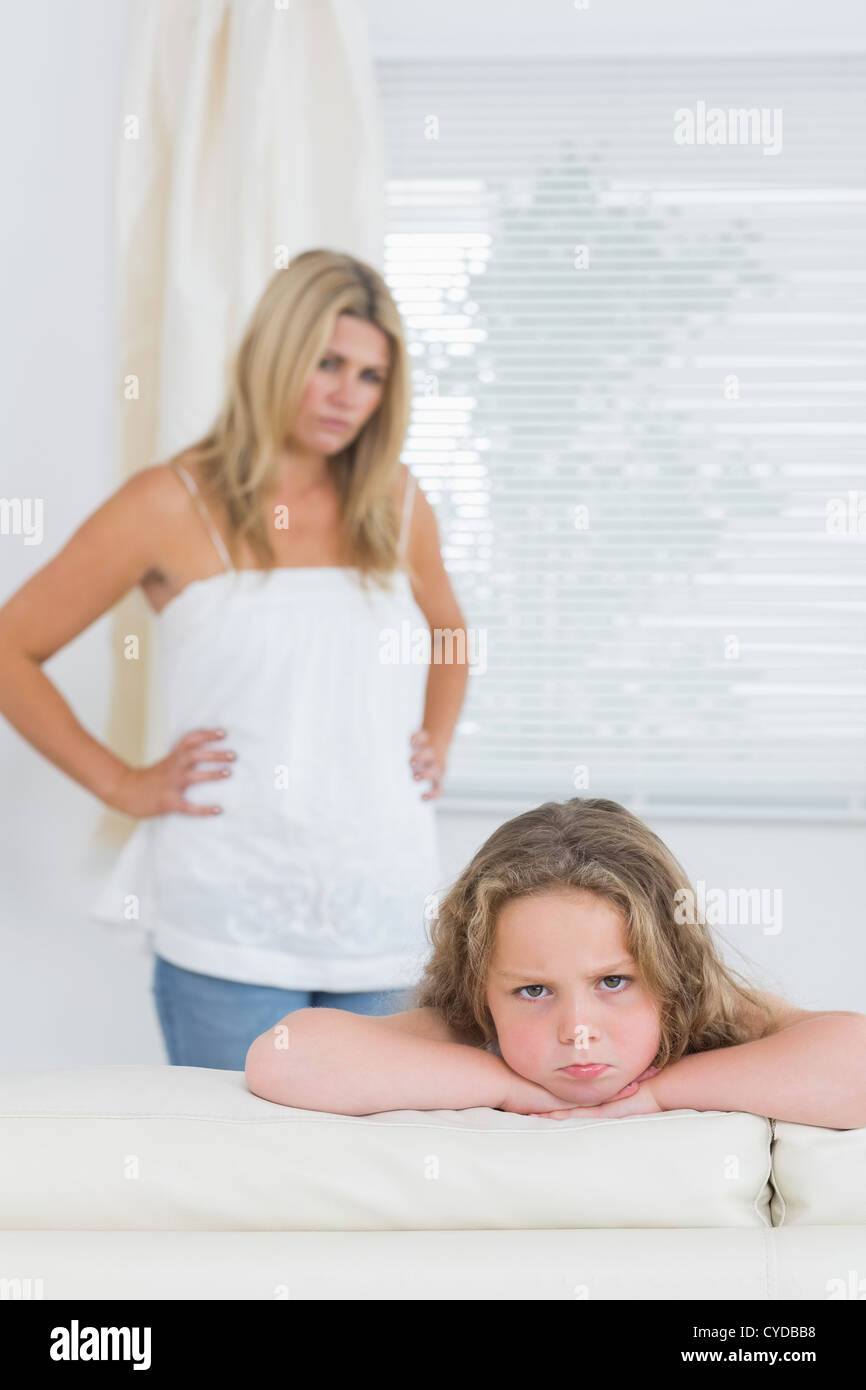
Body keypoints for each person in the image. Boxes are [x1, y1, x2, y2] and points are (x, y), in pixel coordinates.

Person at [0, 249, 470, 1069]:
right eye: (327, 363)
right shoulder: (166, 502)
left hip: (384, 908)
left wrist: (437, 737)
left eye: (370, 376)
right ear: (274, 355)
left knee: (386, 1146)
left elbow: (451, 635)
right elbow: (12, 647)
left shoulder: (394, 500)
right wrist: (123, 784)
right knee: (234, 1144)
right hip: (228, 913)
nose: (347, 395)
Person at [245, 796, 866, 1130]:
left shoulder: (714, 1018)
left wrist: (661, 1094)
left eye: (613, 981)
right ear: (480, 991)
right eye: (534, 991)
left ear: (674, 977)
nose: (578, 1031)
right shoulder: (472, 1033)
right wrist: (507, 1086)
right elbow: (284, 1057)